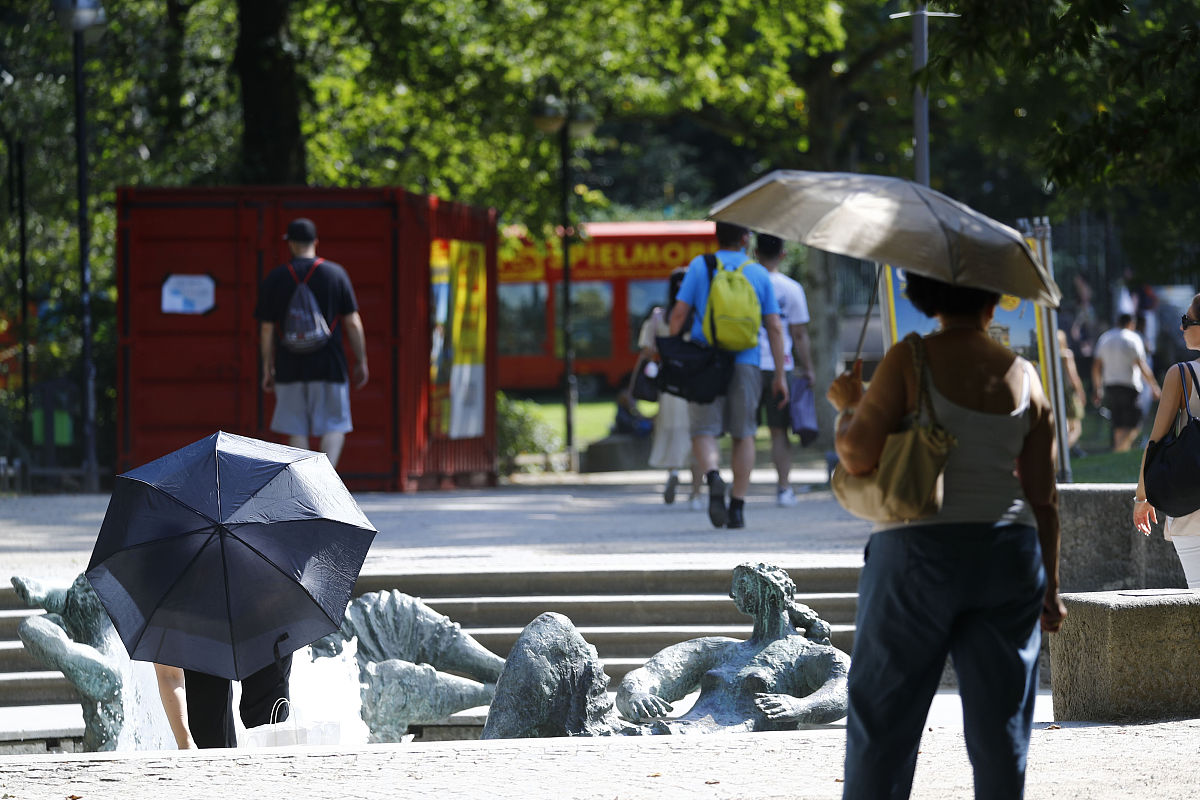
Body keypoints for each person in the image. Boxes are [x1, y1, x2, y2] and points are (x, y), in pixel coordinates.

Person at [827, 272, 1067, 800]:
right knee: (1002, 732)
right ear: (992, 302)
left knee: (883, 722)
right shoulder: (1025, 375)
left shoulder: (909, 358)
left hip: (915, 554)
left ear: (928, 297)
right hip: (1009, 555)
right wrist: (1050, 589)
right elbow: (1044, 499)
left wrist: (848, 404)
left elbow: (857, 454)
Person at [481, 562, 849, 739]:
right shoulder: (720, 649)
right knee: (551, 630)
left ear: (770, 592)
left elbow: (844, 686)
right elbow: (654, 672)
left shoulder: (808, 655)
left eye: (742, 585)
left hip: (701, 744)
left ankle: (491, 754)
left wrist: (801, 706)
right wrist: (635, 694)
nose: (733, 594)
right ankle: (492, 751)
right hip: (666, 734)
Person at [668, 222, 788, 529]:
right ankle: (737, 506)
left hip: (705, 360)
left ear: (716, 235)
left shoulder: (701, 265)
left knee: (703, 430)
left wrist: (672, 347)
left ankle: (712, 476)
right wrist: (779, 374)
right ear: (745, 239)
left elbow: (679, 314)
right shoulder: (758, 272)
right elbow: (775, 327)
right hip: (746, 361)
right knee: (743, 433)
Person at [255, 217, 368, 468]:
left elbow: (266, 329)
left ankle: (306, 482)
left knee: (296, 428)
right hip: (330, 365)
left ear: (291, 244)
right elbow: (352, 322)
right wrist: (361, 360)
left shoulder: (276, 278)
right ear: (315, 241)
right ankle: (325, 480)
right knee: (335, 425)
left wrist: (267, 367)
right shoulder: (336, 274)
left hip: (289, 365)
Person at [1134, 292, 1200, 588]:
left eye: (1187, 320)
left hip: (1193, 507)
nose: (1181, 327)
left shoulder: (1182, 374)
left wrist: (1142, 498)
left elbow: (1155, 442)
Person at [632, 267, 703, 509]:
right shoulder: (699, 315)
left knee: (671, 431)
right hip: (695, 383)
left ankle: (673, 472)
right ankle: (696, 493)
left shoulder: (660, 316)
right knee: (698, 435)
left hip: (669, 385)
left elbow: (647, 351)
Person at [753, 233, 814, 507]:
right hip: (782, 366)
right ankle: (783, 488)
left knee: (745, 432)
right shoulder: (792, 288)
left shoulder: (748, 283)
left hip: (749, 363)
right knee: (779, 431)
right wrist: (808, 368)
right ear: (783, 254)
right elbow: (799, 334)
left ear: (755, 253)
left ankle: (740, 489)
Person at [1092, 312, 1160, 452]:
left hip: (1111, 385)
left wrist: (1098, 388)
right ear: (1131, 324)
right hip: (1129, 386)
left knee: (1118, 423)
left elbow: (1096, 367)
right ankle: (1120, 450)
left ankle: (1119, 452)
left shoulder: (1105, 338)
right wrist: (1154, 386)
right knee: (1135, 423)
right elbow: (1142, 365)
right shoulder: (1133, 338)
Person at [1057, 328, 1087, 456]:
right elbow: (1073, 376)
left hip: (1056, 393)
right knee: (1076, 429)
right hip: (1068, 394)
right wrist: (1081, 392)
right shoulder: (1066, 355)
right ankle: (1059, 454)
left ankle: (1061, 453)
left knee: (1066, 427)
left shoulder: (1049, 355)